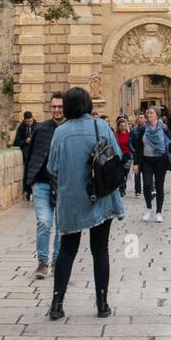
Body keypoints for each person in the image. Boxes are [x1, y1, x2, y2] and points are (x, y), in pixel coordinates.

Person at [45, 87, 125, 319]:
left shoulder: (60, 133)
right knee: (100, 250)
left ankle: (57, 304)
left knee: (67, 251)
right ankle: (102, 304)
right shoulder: (101, 127)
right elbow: (116, 156)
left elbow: (52, 167)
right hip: (100, 196)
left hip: (71, 200)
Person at [23, 92, 65, 279]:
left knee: (62, 226)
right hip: (41, 183)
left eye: (60, 106)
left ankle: (57, 261)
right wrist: (27, 183)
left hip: (64, 184)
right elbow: (30, 156)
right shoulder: (40, 129)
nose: (56, 109)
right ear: (50, 107)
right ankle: (42, 262)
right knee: (44, 222)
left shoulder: (70, 129)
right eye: (54, 106)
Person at [132, 106, 171, 222]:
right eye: (147, 113)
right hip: (147, 160)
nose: (148, 115)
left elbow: (170, 144)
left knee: (159, 187)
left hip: (160, 161)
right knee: (147, 185)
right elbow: (138, 148)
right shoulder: (143, 129)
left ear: (157, 115)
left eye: (151, 113)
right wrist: (136, 163)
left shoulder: (163, 129)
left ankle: (159, 212)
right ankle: (148, 208)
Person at [13, 111, 35, 195]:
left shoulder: (37, 126)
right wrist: (26, 141)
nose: (29, 123)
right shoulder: (21, 128)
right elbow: (16, 142)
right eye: (27, 121)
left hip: (35, 152)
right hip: (26, 153)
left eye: (30, 121)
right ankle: (28, 190)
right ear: (24, 120)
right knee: (27, 171)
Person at [130, 113, 148, 199]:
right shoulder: (134, 130)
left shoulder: (149, 129)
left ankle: (148, 189)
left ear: (145, 119)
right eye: (139, 117)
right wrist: (134, 151)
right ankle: (137, 190)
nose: (139, 119)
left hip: (146, 154)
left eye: (141, 118)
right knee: (137, 174)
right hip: (137, 154)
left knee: (147, 173)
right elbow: (130, 143)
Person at [115, 116, 133, 195]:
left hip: (128, 156)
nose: (123, 127)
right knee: (120, 172)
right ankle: (122, 189)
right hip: (120, 156)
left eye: (124, 126)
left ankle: (123, 187)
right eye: (121, 126)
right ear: (118, 127)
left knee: (125, 172)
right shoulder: (116, 135)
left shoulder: (129, 134)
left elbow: (132, 145)